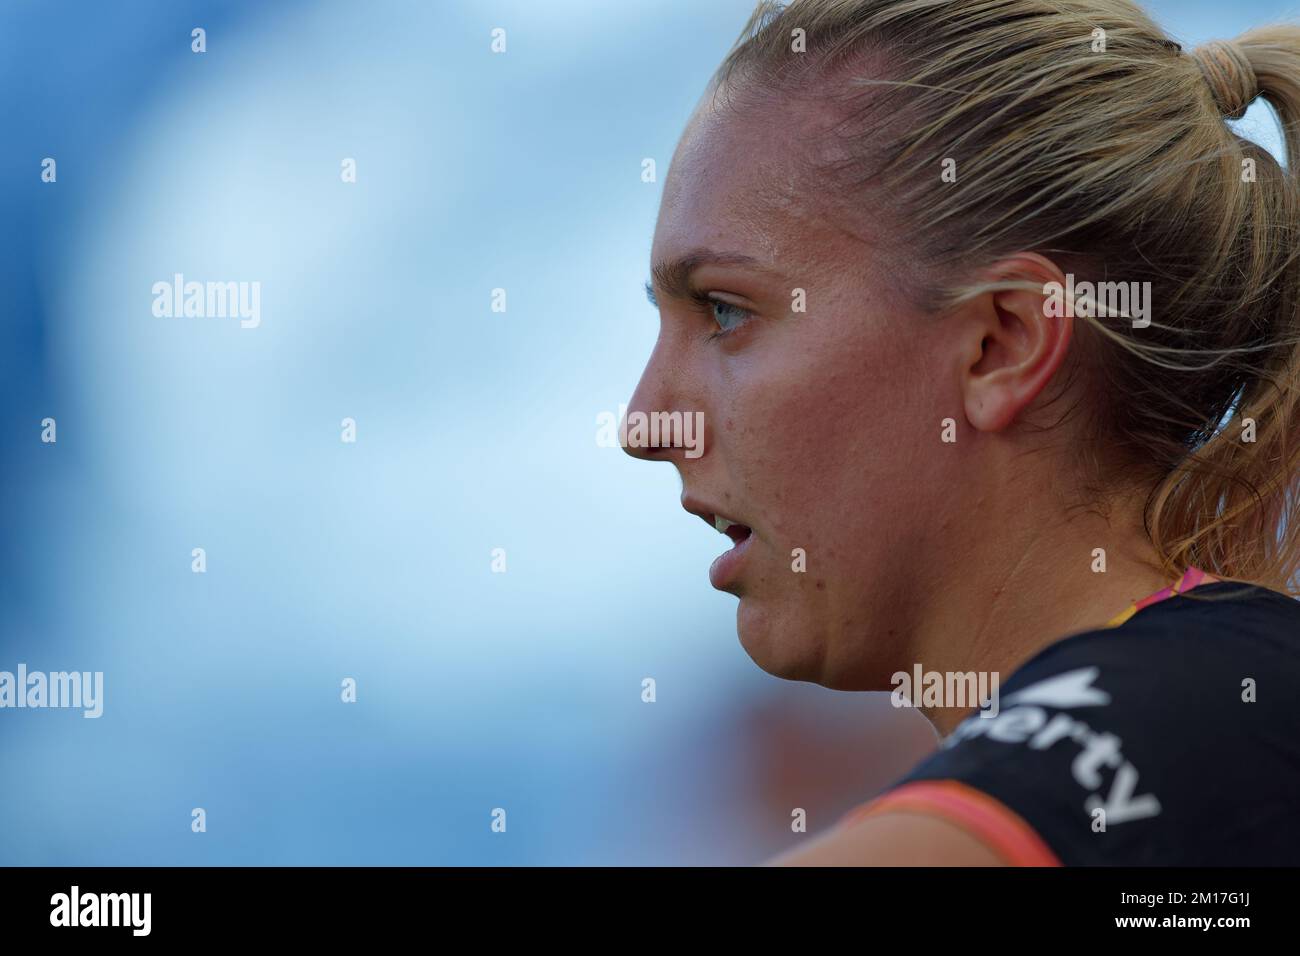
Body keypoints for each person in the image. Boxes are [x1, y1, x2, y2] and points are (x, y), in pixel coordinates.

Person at [625, 0, 1300, 865]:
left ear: (1001, 344)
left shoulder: (1186, 735)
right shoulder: (1225, 703)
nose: (645, 422)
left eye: (725, 310)